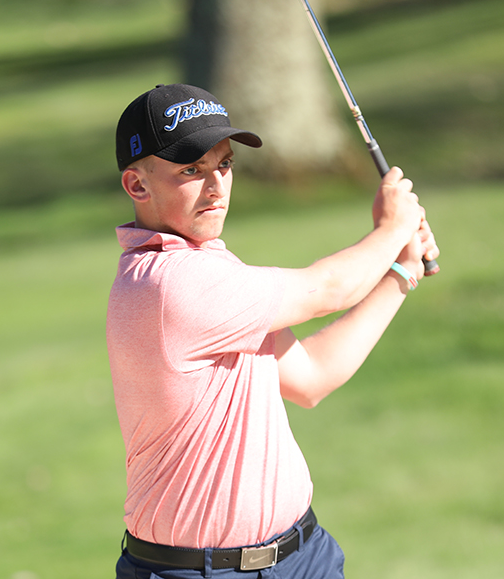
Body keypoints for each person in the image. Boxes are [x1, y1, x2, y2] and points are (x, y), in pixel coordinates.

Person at [107, 83, 439, 578]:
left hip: (304, 558)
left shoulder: (215, 271)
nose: (216, 186)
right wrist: (392, 229)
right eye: (191, 170)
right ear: (138, 186)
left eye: (224, 164)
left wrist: (401, 272)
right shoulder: (169, 285)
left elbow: (311, 378)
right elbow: (327, 289)